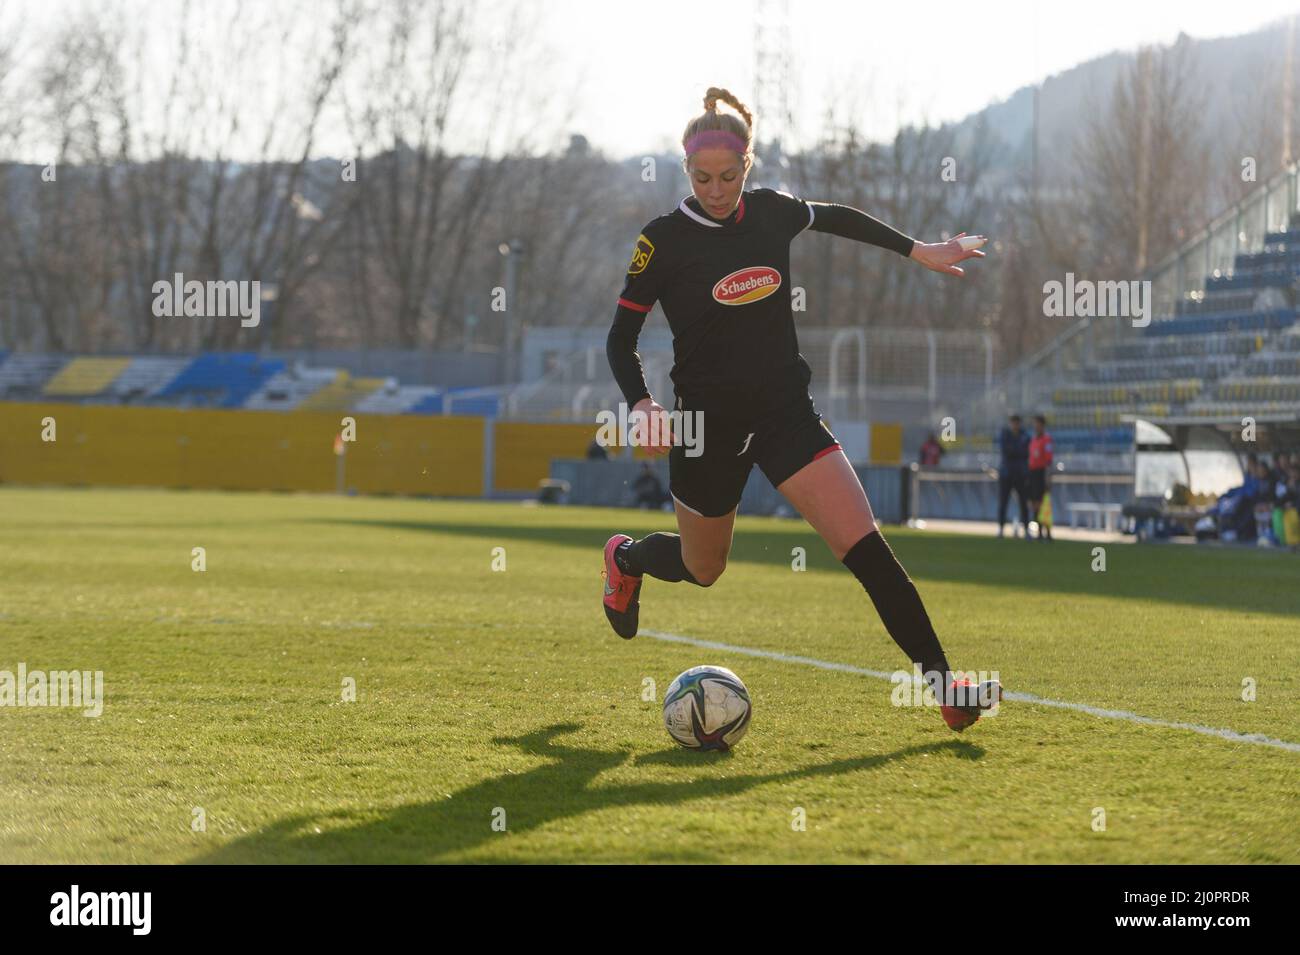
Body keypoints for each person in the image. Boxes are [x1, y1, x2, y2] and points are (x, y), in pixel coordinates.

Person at [599, 87, 1000, 732]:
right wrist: (642, 402)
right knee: (704, 569)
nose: (716, 188)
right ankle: (627, 558)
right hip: (706, 428)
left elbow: (838, 217)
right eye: (702, 177)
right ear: (685, 169)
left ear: (748, 165)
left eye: (729, 176)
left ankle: (945, 688)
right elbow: (621, 337)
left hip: (786, 413)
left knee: (866, 547)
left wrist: (919, 250)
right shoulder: (663, 240)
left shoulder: (774, 213)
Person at [997, 414, 1030, 539]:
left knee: (1023, 502)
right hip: (1006, 474)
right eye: (1013, 423)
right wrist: (1017, 451)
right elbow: (1007, 451)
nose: (1015, 425)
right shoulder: (1005, 435)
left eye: (1017, 423)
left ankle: (1026, 529)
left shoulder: (1025, 435)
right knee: (1003, 501)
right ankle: (1001, 529)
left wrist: (1015, 451)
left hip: (1020, 473)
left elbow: (1026, 452)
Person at [1026, 414, 1053, 541]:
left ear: (1042, 425)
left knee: (1043, 503)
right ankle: (1039, 532)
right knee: (1034, 503)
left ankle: (1047, 532)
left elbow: (1048, 460)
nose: (1035, 426)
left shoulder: (1046, 440)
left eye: (1037, 423)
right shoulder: (1033, 440)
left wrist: (1047, 477)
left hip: (1041, 473)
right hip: (1032, 473)